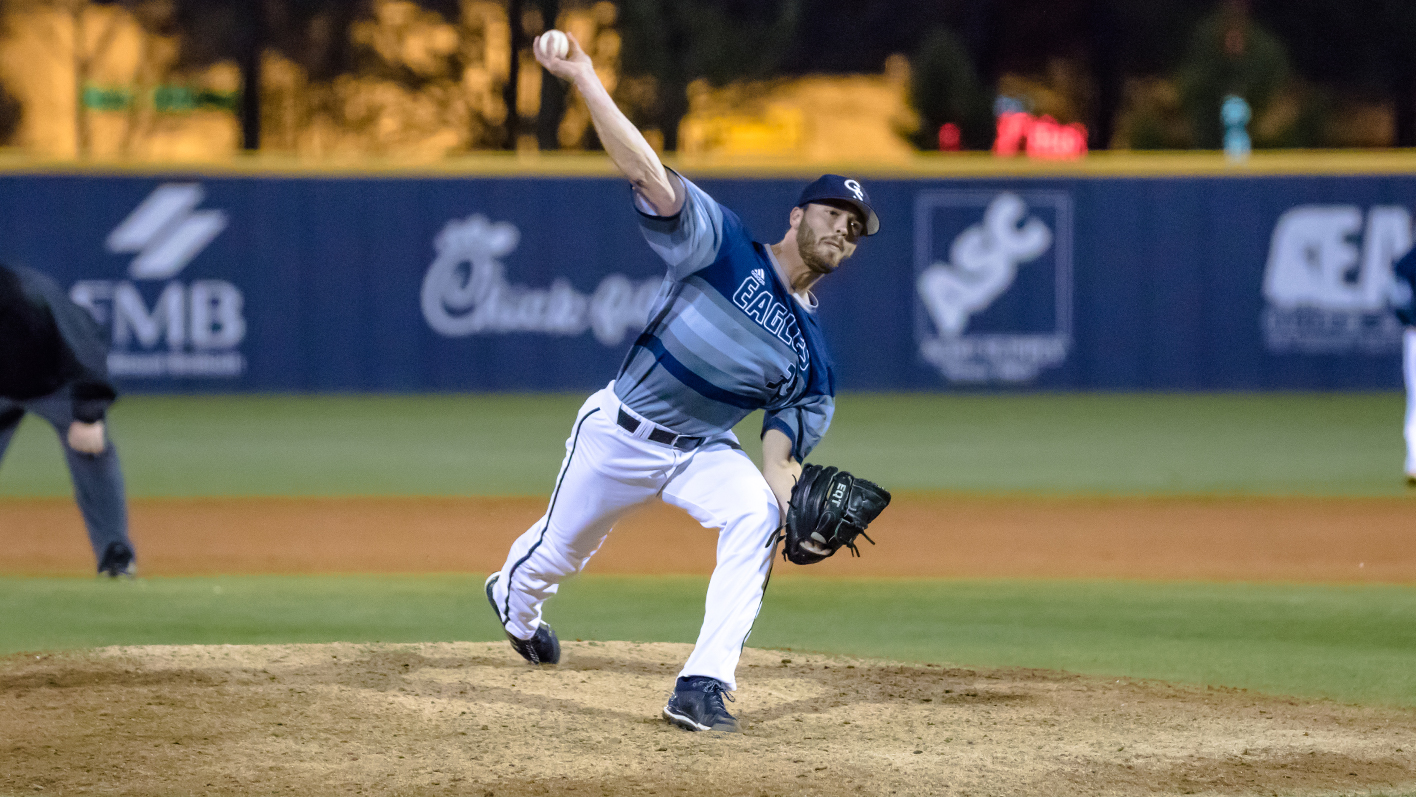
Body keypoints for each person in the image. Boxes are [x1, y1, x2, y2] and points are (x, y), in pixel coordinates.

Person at [482, 31, 879, 734]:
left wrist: (796, 516)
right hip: (619, 429)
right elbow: (648, 173)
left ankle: (701, 685)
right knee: (556, 555)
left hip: (699, 448)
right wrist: (584, 80)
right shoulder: (722, 245)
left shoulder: (814, 359)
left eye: (855, 229)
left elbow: (780, 456)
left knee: (755, 515)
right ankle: (513, 601)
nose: (842, 231)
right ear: (797, 215)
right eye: (832, 214)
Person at [0, 262, 137, 577]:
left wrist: (90, 412)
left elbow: (84, 344)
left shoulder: (29, 298)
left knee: (92, 452)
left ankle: (116, 555)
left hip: (57, 384)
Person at [1388, 248, 1416, 486]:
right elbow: (1398, 300)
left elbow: (1398, 302)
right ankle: (1414, 464)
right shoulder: (1406, 263)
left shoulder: (1405, 262)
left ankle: (1414, 465)